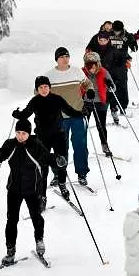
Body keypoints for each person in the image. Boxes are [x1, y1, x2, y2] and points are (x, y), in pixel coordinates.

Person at [0, 119, 66, 264]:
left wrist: (58, 160)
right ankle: (10, 251)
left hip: (32, 189)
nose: (20, 136)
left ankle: (39, 240)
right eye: (18, 133)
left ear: (29, 133)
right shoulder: (10, 144)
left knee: (36, 217)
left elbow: (48, 157)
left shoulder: (36, 145)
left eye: (24, 133)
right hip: (14, 189)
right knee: (11, 220)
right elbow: (1, 154)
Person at [11, 75, 85, 210]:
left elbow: (69, 110)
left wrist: (80, 113)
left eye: (46, 86)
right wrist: (17, 114)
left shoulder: (57, 99)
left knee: (61, 161)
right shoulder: (35, 101)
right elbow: (26, 114)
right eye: (41, 87)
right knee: (42, 167)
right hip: (42, 138)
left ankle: (62, 183)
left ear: (49, 87)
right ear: (37, 89)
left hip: (58, 135)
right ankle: (42, 196)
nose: (44, 89)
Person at [45, 47, 93, 186]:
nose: (65, 59)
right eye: (61, 57)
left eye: (67, 56)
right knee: (60, 148)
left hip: (77, 114)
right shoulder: (50, 76)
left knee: (80, 145)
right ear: (57, 59)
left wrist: (89, 91)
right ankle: (58, 174)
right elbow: (38, 91)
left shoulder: (76, 71)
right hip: (59, 118)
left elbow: (88, 83)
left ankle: (82, 174)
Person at [82, 51, 115, 157]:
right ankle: (82, 147)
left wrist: (109, 85)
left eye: (93, 66)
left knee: (101, 125)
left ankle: (105, 144)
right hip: (86, 102)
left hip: (101, 103)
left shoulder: (104, 72)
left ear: (98, 64)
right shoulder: (82, 73)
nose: (91, 69)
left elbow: (113, 88)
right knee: (83, 126)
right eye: (88, 66)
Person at [109, 19, 138, 114]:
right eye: (115, 31)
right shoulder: (109, 34)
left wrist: (133, 43)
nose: (117, 33)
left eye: (118, 31)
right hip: (110, 64)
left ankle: (123, 106)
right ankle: (113, 106)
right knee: (112, 86)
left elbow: (134, 47)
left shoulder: (127, 35)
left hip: (122, 65)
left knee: (122, 86)